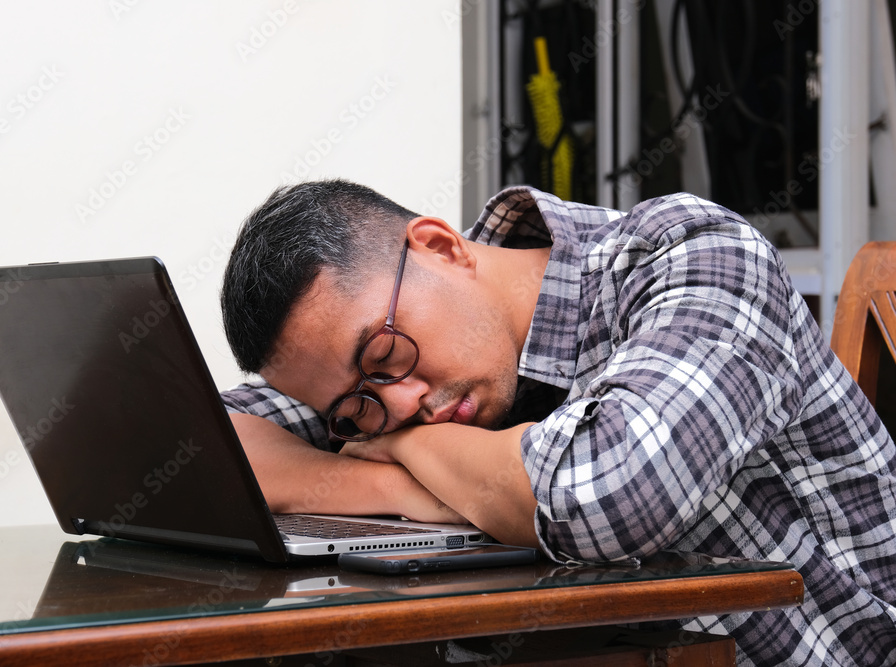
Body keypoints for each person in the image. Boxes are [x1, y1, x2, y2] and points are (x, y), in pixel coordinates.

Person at [219, 179, 896, 666]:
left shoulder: (691, 253)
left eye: (386, 355)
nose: (397, 404)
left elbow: (611, 494)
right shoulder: (422, 380)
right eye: (355, 408)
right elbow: (202, 448)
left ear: (438, 246)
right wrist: (401, 488)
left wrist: (408, 446)